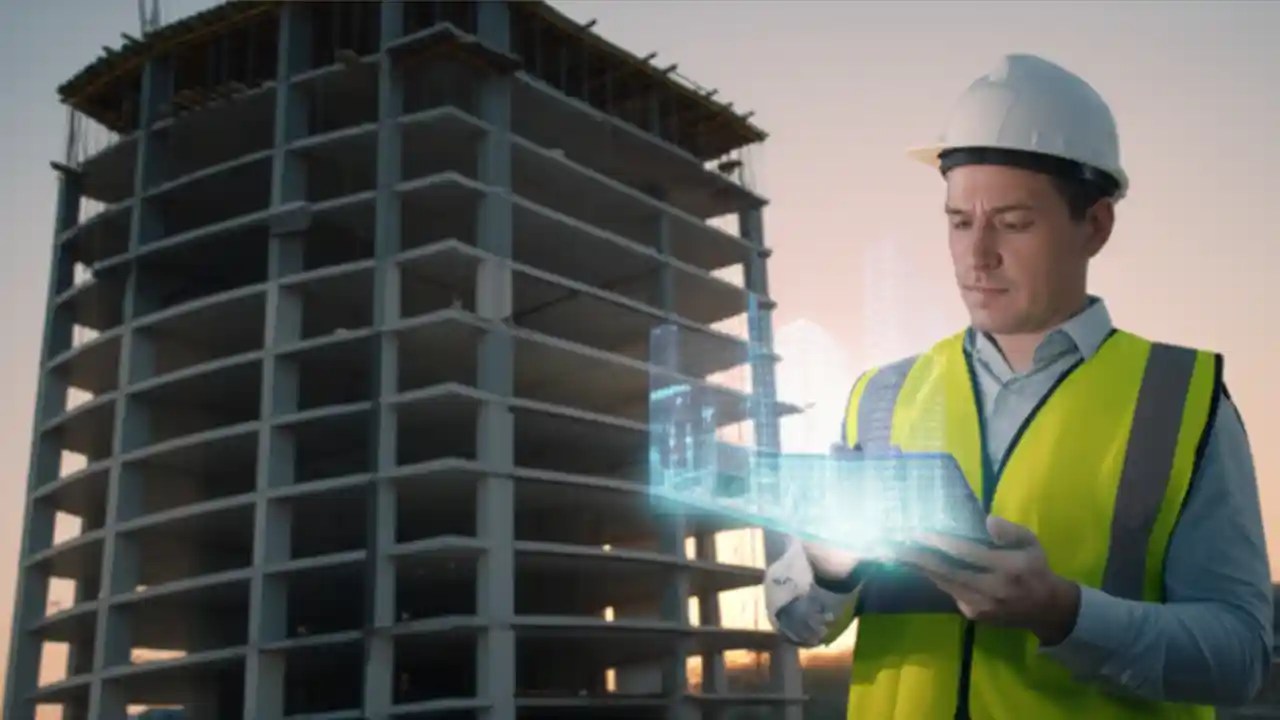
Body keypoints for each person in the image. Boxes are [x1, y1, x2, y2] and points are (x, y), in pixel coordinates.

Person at [763, 53, 1273, 719]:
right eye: (958, 221)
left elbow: (1239, 658)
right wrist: (830, 570)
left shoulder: (1179, 401)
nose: (976, 256)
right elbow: (798, 621)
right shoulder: (880, 398)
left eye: (1012, 222)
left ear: (1094, 226)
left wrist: (1063, 613)